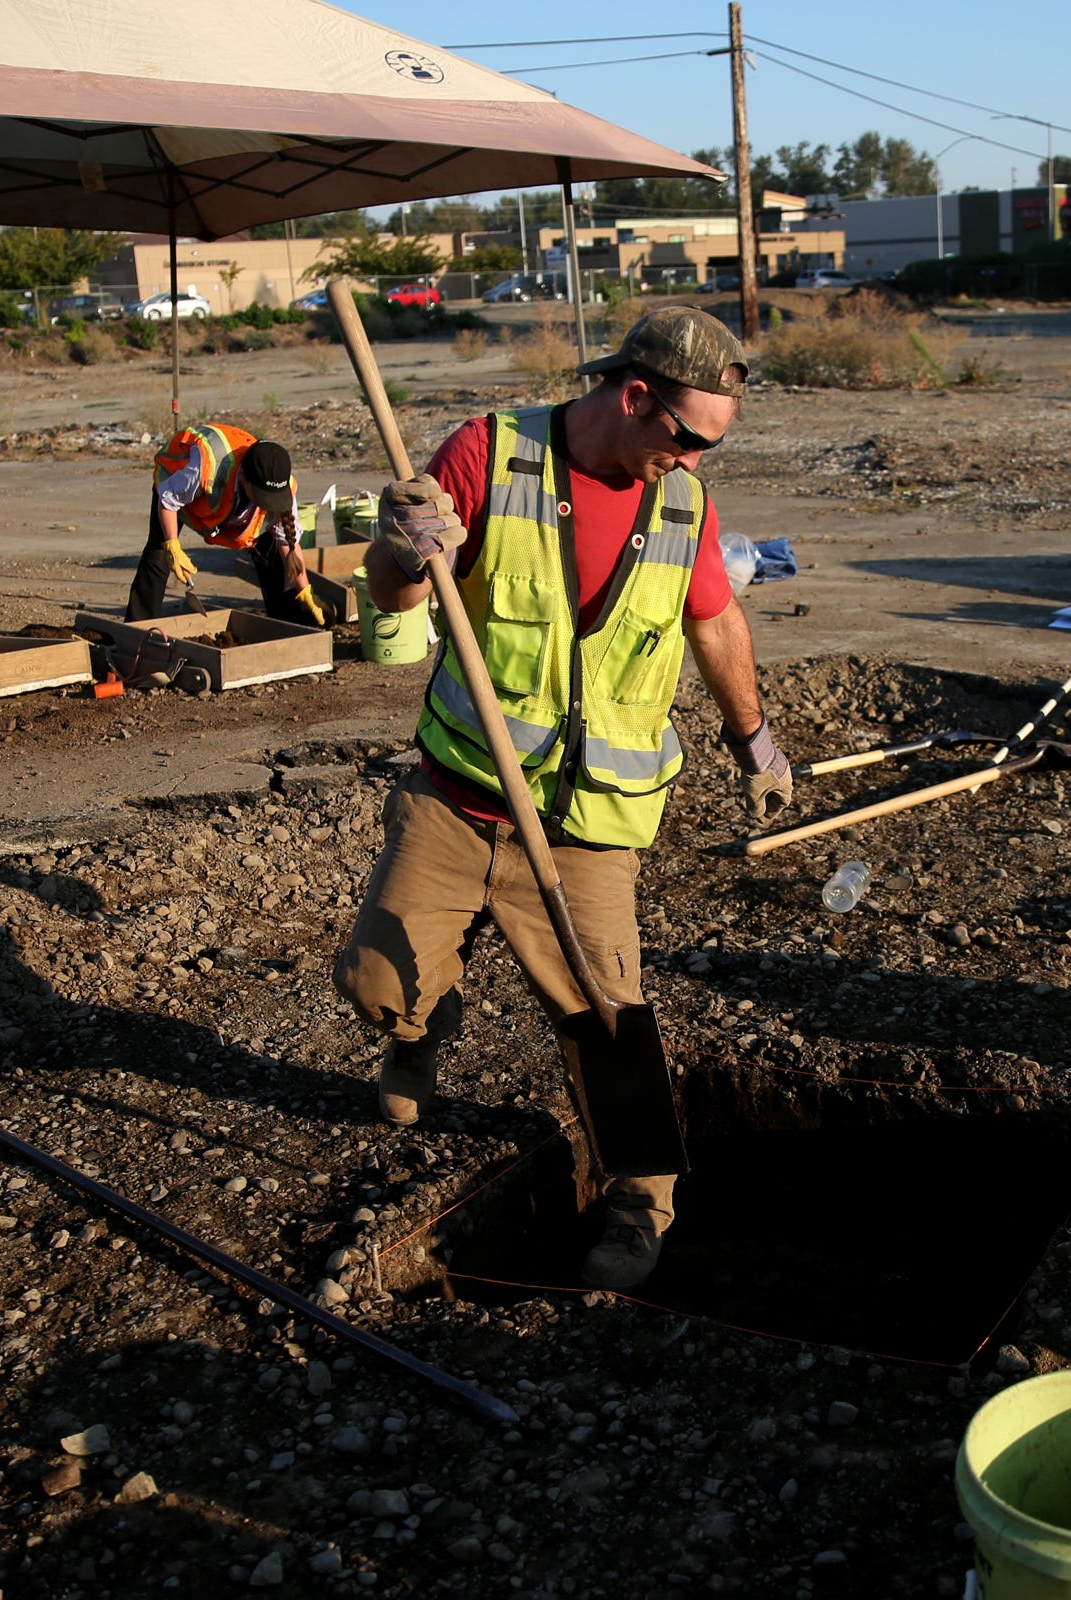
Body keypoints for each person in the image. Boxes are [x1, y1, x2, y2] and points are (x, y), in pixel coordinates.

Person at [333, 307, 792, 1290]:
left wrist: (755, 736)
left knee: (611, 1022)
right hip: (460, 795)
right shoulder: (488, 456)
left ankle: (638, 1206)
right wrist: (404, 549)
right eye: (691, 438)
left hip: (585, 827)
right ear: (635, 398)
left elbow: (715, 623)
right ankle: (416, 1036)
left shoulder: (682, 505)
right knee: (379, 982)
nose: (699, 461)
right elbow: (395, 606)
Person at [127, 424, 327, 625]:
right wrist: (172, 544)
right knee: (158, 555)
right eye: (262, 497)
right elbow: (168, 501)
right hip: (175, 485)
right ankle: (136, 628)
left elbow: (289, 544)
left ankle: (288, 624)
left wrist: (304, 590)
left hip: (220, 505)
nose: (267, 505)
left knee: (272, 550)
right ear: (243, 478)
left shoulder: (282, 484)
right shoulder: (205, 468)